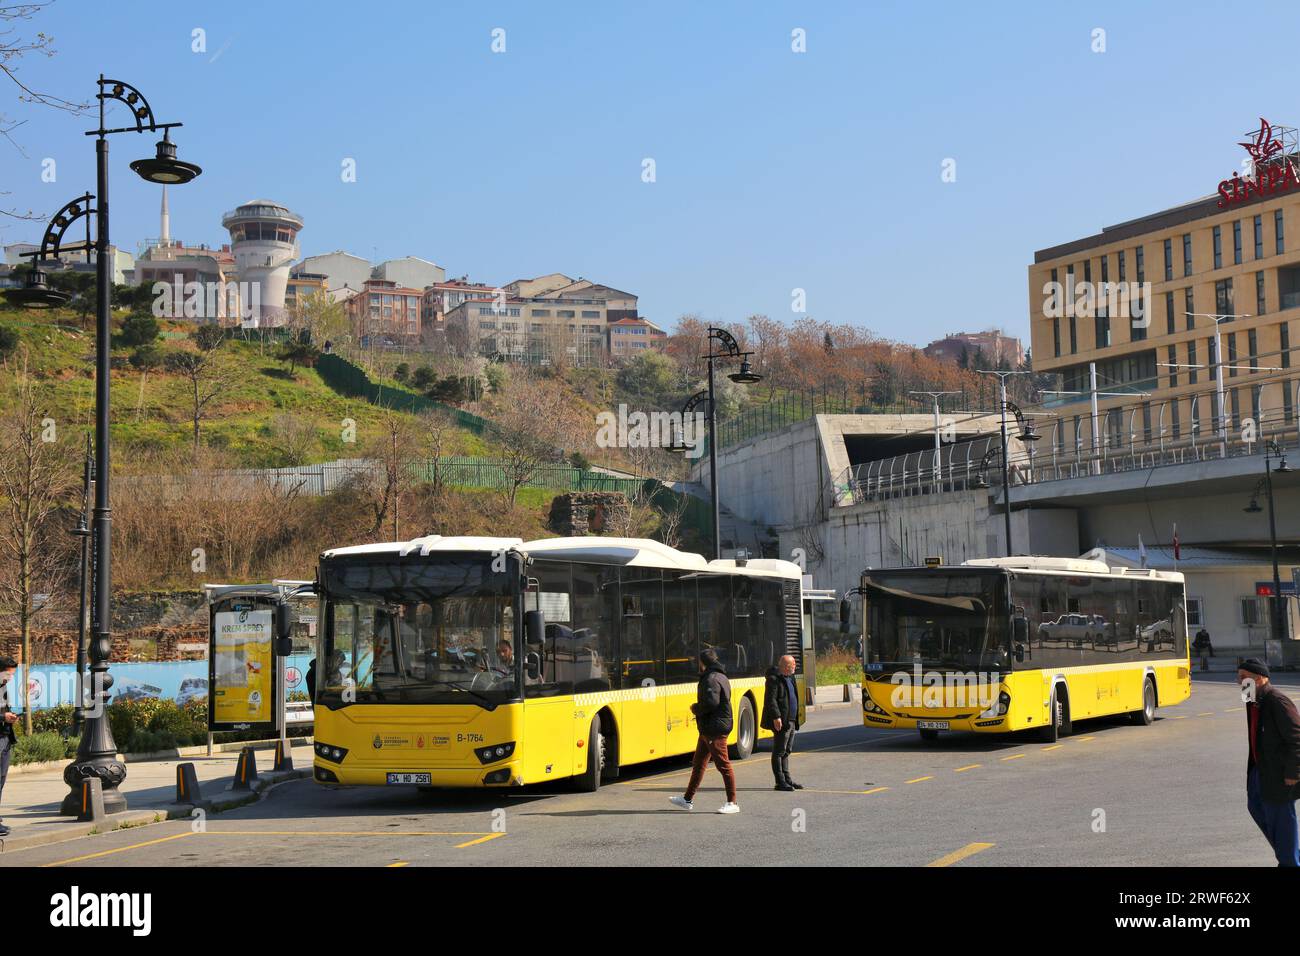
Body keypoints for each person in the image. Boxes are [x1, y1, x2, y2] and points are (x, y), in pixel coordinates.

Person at [1238, 659, 1300, 867]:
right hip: (1259, 769)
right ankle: (1290, 856)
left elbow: (1296, 739)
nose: (1239, 682)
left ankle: (1290, 862)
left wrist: (1293, 773)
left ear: (1260, 679)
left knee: (1281, 820)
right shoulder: (1252, 698)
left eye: (1242, 677)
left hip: (1279, 773)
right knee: (1255, 807)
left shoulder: (1278, 701)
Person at [670, 649, 738, 814]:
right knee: (698, 764)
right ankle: (687, 799)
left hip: (714, 727)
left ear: (702, 663)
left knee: (723, 765)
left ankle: (732, 802)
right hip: (709, 727)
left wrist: (695, 709)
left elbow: (711, 703)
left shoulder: (711, 678)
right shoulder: (721, 675)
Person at [762, 654, 802, 791]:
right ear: (785, 666)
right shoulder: (774, 679)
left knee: (787, 751)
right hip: (782, 720)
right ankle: (780, 782)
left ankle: (787, 779)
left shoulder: (790, 678)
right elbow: (770, 700)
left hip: (791, 719)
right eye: (793, 665)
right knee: (779, 751)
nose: (795, 667)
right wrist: (776, 716)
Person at [0, 655, 18, 838]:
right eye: (7, 674)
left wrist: (10, 715)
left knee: (1, 780)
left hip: (5, 738)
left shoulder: (3, 688)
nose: (9, 678)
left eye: (12, 675)